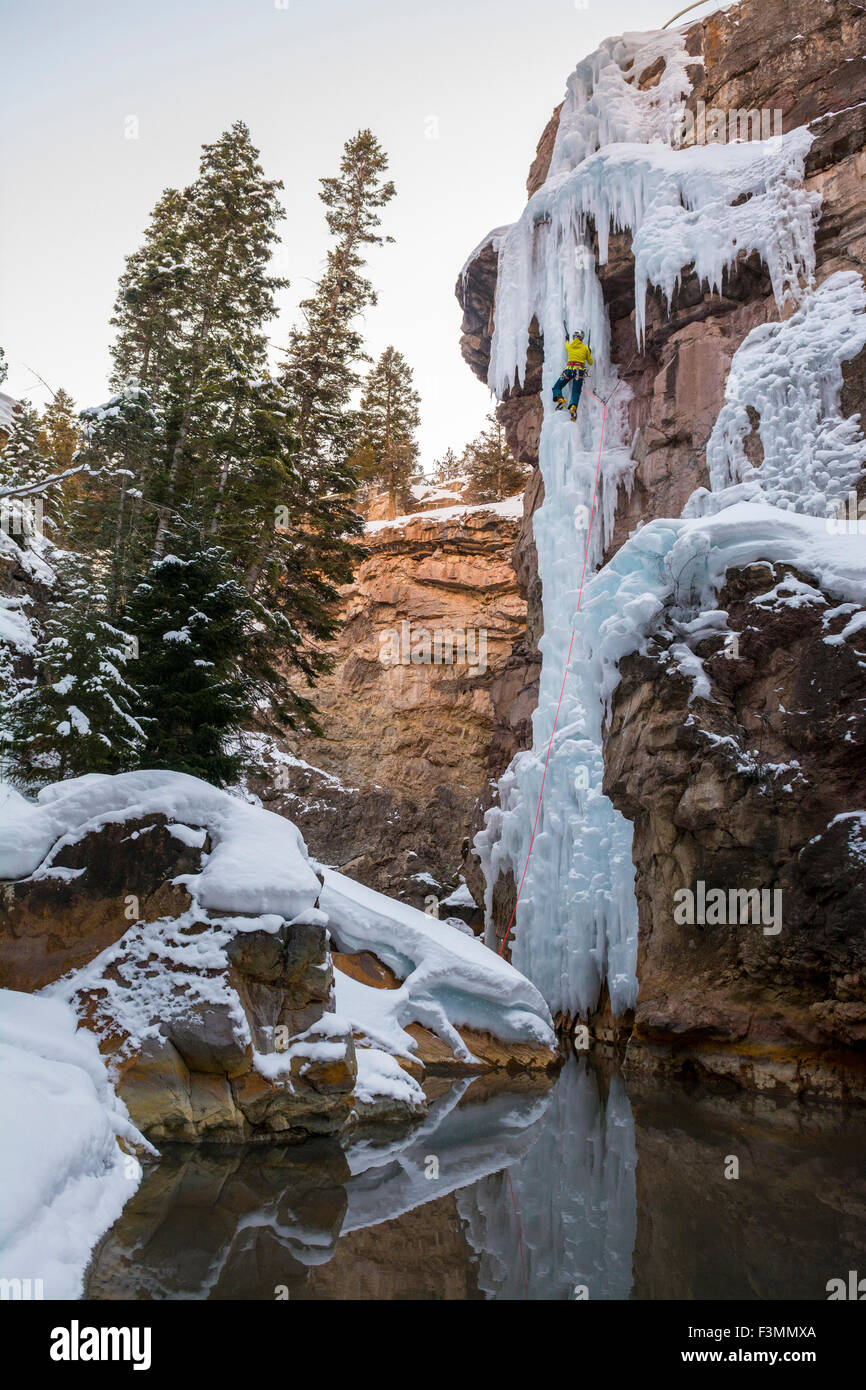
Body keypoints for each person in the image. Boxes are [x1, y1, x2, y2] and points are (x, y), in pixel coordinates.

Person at [552, 330, 593, 418]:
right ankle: (573, 408)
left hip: (568, 371)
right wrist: (589, 352)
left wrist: (567, 339)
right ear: (582, 338)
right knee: (576, 391)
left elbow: (566, 344)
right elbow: (590, 362)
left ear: (574, 337)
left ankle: (560, 399)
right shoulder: (585, 348)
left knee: (557, 387)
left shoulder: (570, 346)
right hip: (579, 372)